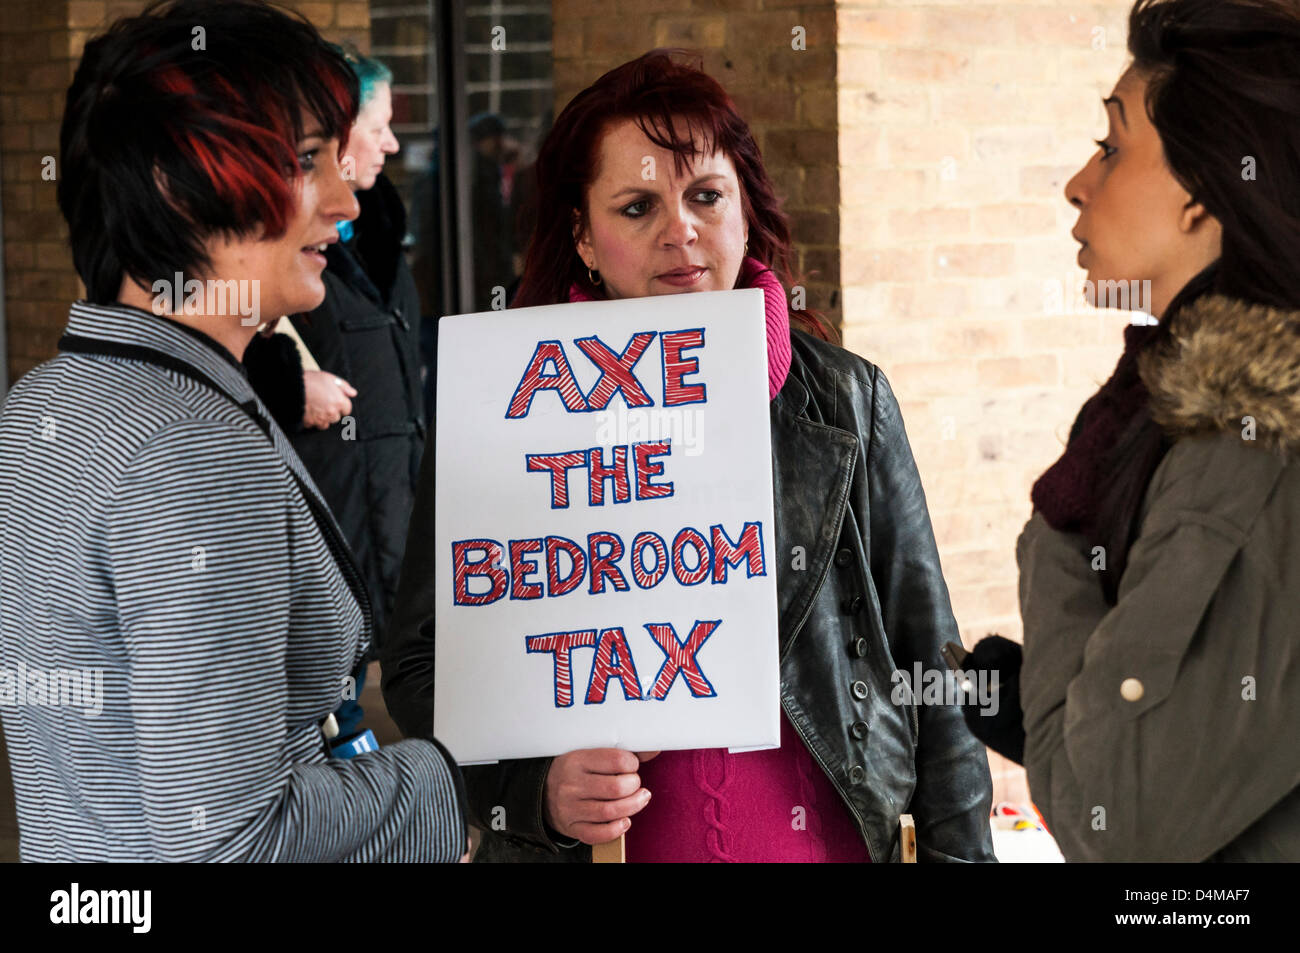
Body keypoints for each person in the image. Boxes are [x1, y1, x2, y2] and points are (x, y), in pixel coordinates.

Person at [383, 49, 995, 862]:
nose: (681, 231)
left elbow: (933, 661)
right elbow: (423, 664)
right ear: (585, 238)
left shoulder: (847, 399)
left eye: (706, 195)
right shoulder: (502, 407)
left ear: (746, 210)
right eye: (637, 206)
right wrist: (533, 791)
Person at [0, 0, 466, 861]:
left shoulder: (46, 401)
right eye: (303, 164)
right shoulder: (191, 447)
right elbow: (236, 840)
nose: (343, 199)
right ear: (182, 186)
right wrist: (449, 783)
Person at [972, 0, 1300, 861]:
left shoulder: (1249, 441)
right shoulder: (1189, 416)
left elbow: (1116, 819)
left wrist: (1062, 539)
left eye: (1113, 148)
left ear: (1200, 190)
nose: (1080, 182)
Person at [245, 46, 423, 748]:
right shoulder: (275, 235)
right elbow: (218, 334)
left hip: (389, 496)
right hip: (329, 497)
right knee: (328, 692)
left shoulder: (378, 222)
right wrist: (290, 386)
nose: (392, 142)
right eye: (377, 124)